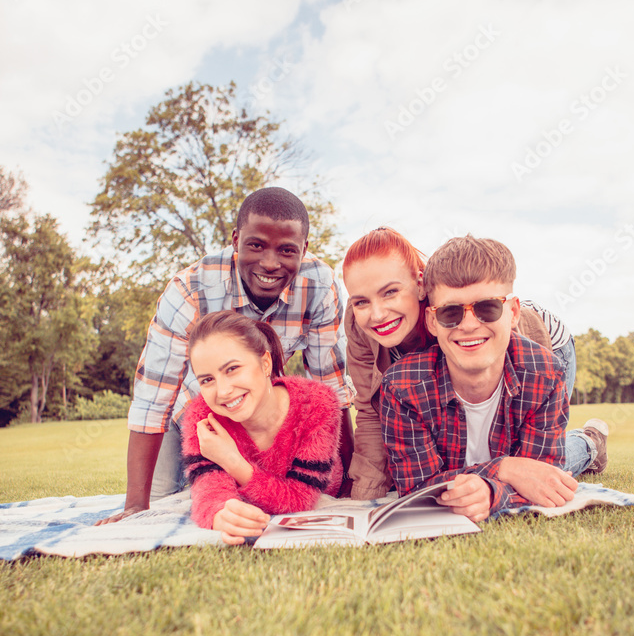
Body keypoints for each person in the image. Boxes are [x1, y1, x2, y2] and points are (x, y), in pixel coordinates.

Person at [100, 187, 353, 524]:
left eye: (287, 250)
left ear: (304, 250)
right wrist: (135, 504)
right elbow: (153, 399)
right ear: (236, 240)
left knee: (305, 490)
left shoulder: (320, 285)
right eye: (256, 245)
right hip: (200, 414)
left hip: (263, 411)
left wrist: (349, 483)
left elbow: (332, 387)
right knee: (162, 507)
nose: (269, 263)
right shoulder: (190, 289)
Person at [343, 227, 607, 500]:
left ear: (420, 285)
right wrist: (364, 495)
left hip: (542, 337)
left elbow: (531, 457)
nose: (377, 313)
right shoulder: (366, 330)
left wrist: (502, 477)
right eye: (362, 301)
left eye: (390, 293)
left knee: (532, 470)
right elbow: (370, 410)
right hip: (446, 366)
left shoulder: (486, 329)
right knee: (482, 467)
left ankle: (587, 444)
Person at [181, 311, 342, 544]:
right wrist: (219, 514)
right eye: (207, 380)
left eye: (232, 369)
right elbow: (209, 490)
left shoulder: (317, 404)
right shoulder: (202, 416)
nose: (223, 391)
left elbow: (299, 500)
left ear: (265, 363)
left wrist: (233, 462)